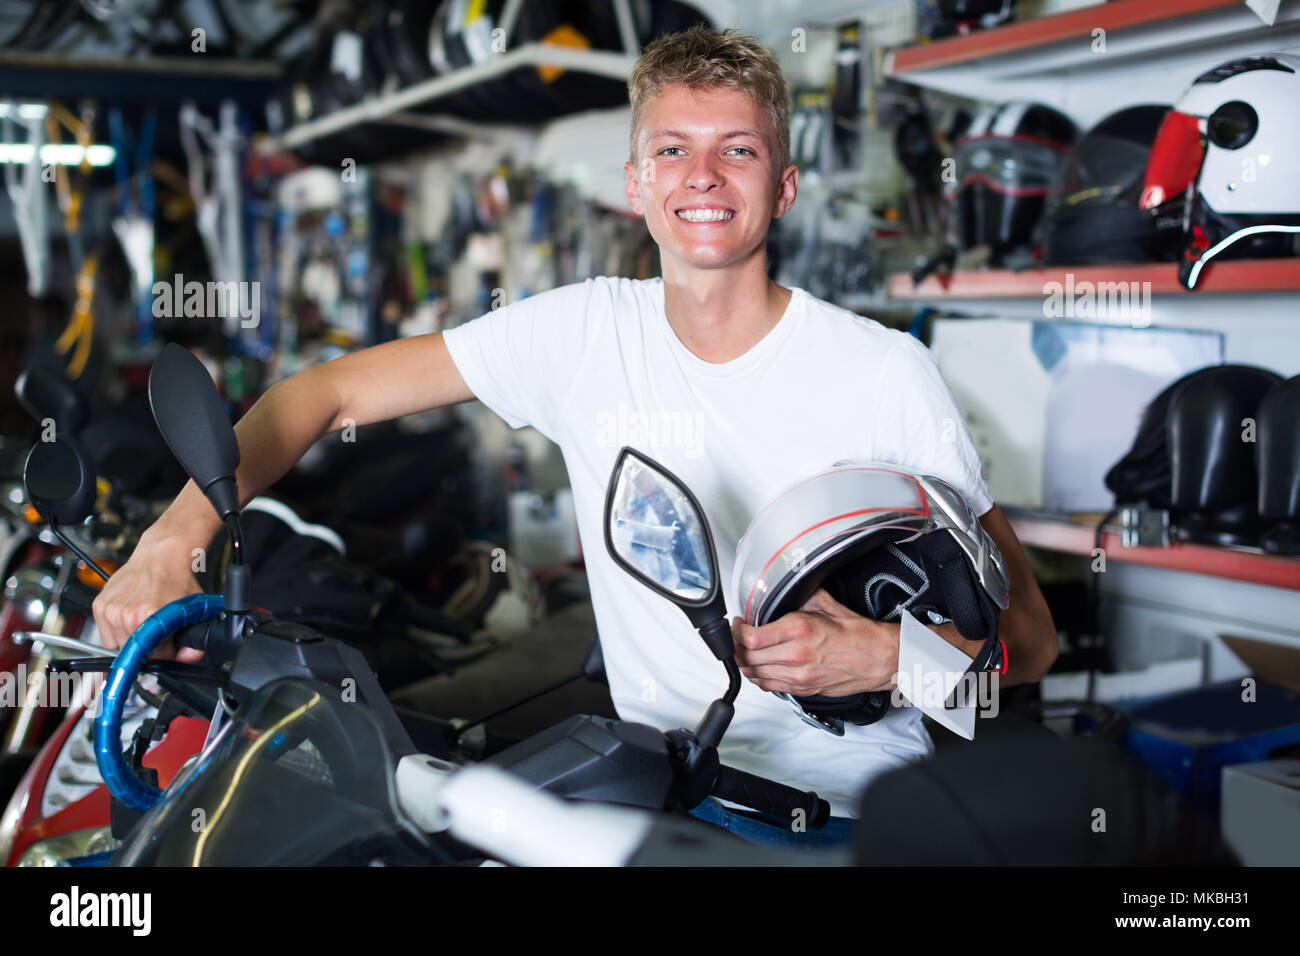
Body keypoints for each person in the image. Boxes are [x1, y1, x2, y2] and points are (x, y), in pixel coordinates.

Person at [94, 26, 1057, 847]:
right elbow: (326, 392)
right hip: (649, 799)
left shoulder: (885, 373)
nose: (704, 178)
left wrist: (890, 657)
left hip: (843, 822)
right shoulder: (582, 332)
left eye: (739, 151)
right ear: (635, 184)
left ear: (787, 184)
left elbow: (1031, 644)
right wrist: (168, 542)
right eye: (673, 151)